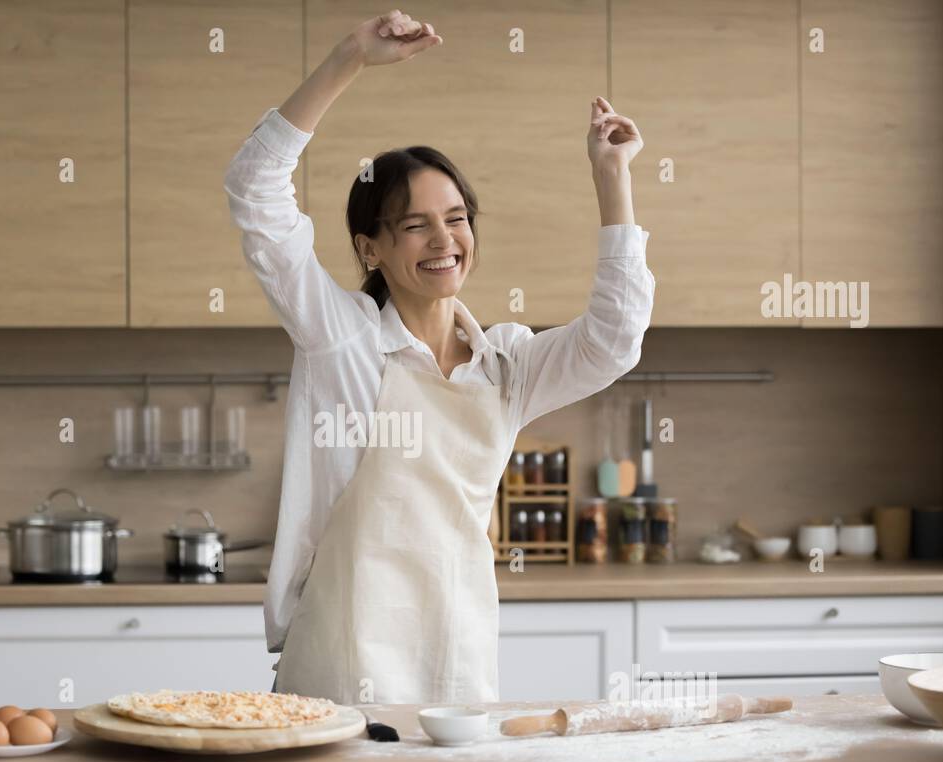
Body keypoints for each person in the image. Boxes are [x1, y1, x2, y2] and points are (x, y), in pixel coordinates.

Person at [223, 9, 655, 705]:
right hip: (336, 674)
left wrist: (613, 178)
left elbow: (614, 340)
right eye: (415, 225)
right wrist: (348, 60)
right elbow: (254, 191)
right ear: (372, 248)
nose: (443, 240)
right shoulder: (342, 337)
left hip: (457, 672)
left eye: (456, 219)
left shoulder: (505, 364)